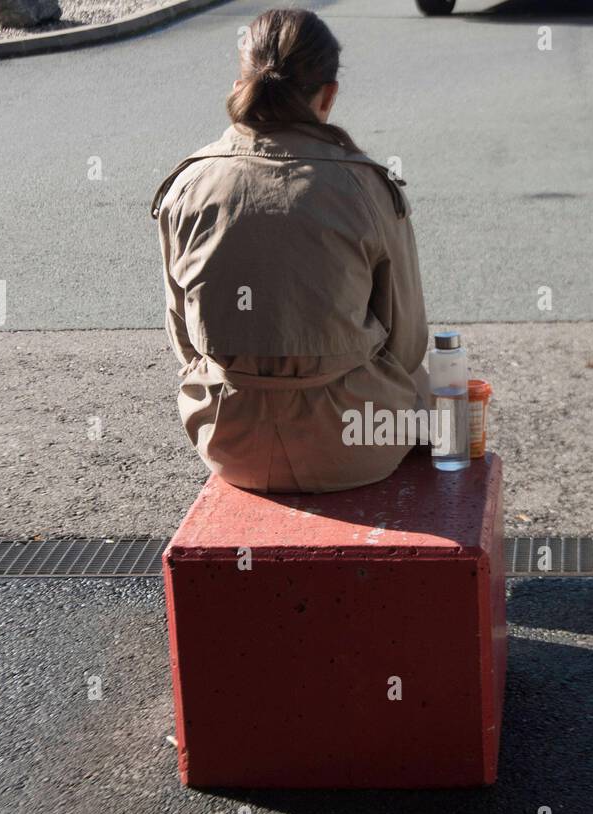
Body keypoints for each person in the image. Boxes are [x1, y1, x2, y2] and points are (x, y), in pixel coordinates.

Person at [152, 8, 430, 493]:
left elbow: (185, 338)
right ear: (328, 96)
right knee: (435, 386)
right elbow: (406, 344)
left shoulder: (189, 184)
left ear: (242, 82)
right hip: (356, 444)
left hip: (229, 442)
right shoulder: (366, 187)